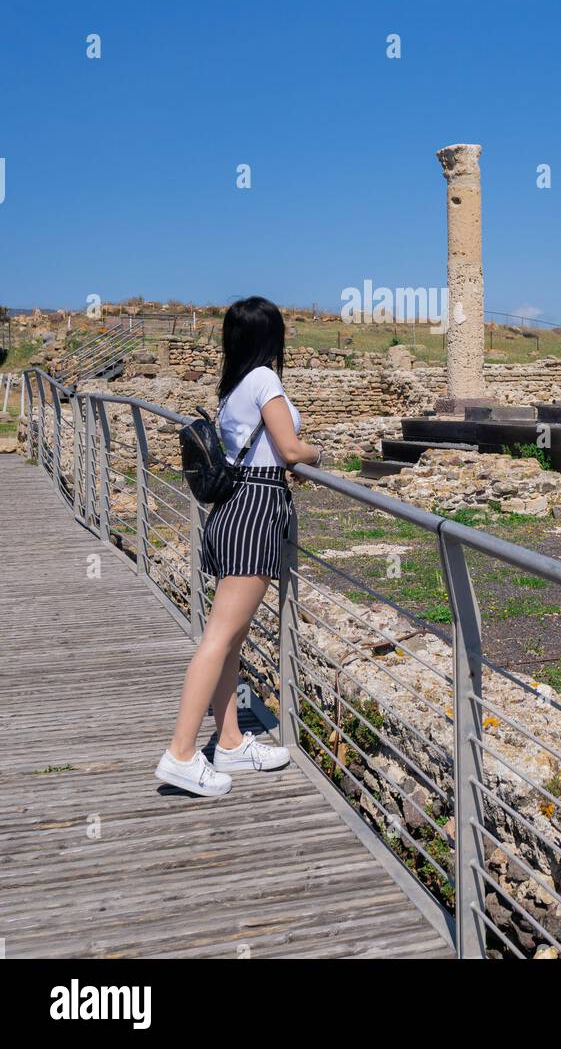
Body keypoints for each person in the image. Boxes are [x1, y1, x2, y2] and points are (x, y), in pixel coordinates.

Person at [155, 296, 322, 796]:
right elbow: (290, 451)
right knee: (219, 637)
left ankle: (229, 741)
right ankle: (181, 752)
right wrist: (320, 452)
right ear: (272, 336)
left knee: (230, 637)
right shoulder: (266, 380)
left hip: (232, 509)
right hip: (255, 511)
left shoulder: (232, 386)